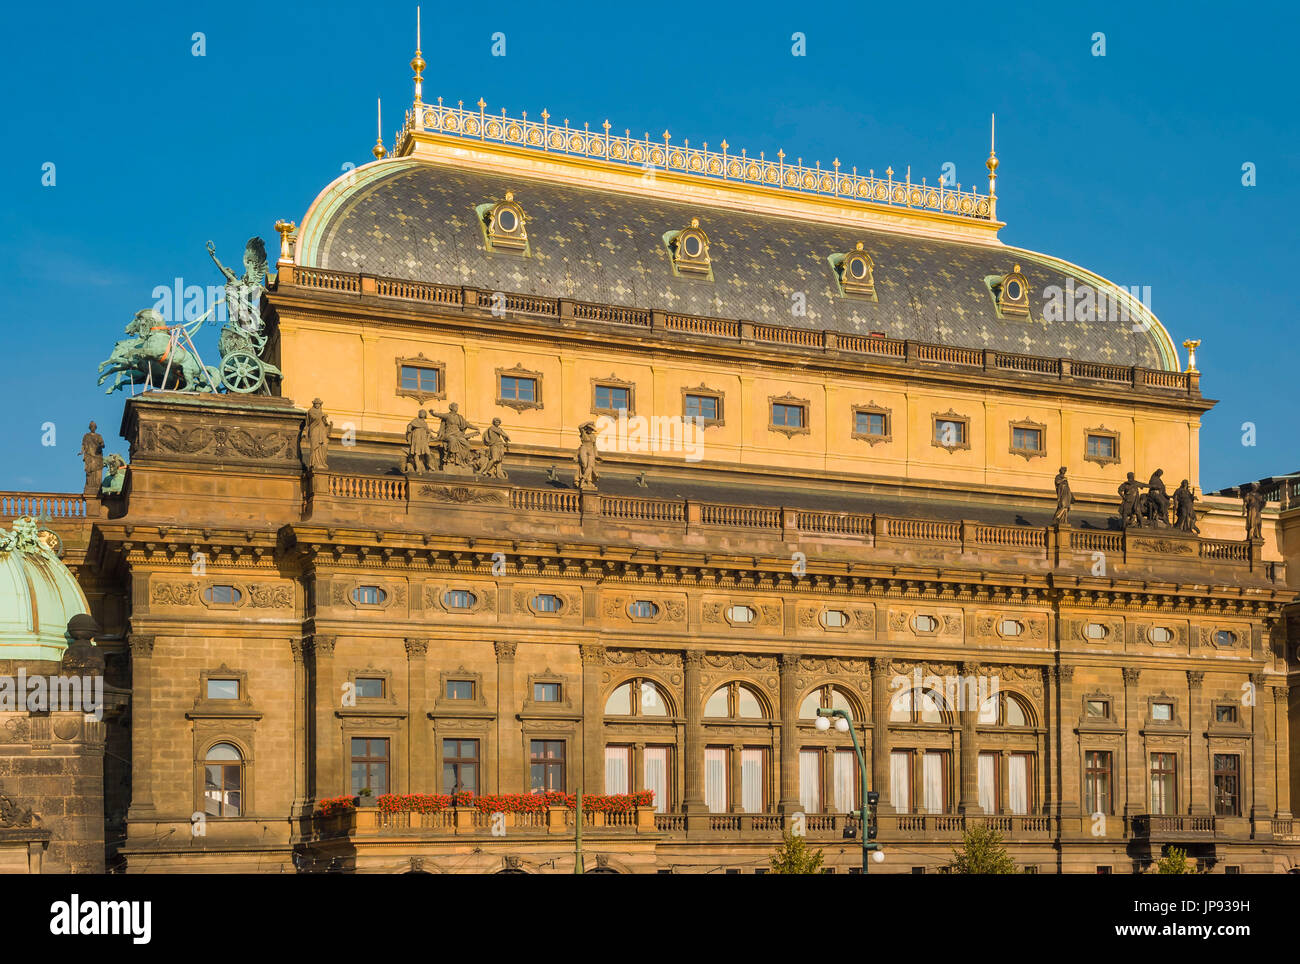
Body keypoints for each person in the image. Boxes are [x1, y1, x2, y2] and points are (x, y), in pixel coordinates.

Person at [302, 398, 332, 471]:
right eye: (316, 403)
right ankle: (314, 463)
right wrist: (321, 416)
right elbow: (312, 419)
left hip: (322, 431)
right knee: (315, 446)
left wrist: (328, 423)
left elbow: (325, 423)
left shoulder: (321, 412)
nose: (317, 405)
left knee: (323, 447)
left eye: (318, 404)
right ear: (314, 404)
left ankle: (321, 463)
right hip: (314, 431)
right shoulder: (311, 411)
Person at [405, 410, 434, 474]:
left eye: (423, 413)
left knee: (428, 452)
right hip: (416, 437)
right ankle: (418, 467)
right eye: (420, 412)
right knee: (416, 453)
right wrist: (409, 430)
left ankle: (430, 465)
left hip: (423, 438)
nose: (421, 413)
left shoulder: (425, 423)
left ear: (425, 415)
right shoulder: (415, 420)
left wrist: (432, 435)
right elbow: (410, 425)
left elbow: (427, 431)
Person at [80, 421, 104, 493]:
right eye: (91, 427)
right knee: (90, 470)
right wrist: (81, 452)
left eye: (94, 427)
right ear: (90, 428)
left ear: (95, 428)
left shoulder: (99, 436)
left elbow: (102, 444)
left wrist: (101, 446)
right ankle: (90, 485)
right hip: (89, 455)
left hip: (97, 455)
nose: (93, 428)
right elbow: (83, 445)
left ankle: (97, 485)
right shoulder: (86, 436)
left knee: (97, 470)